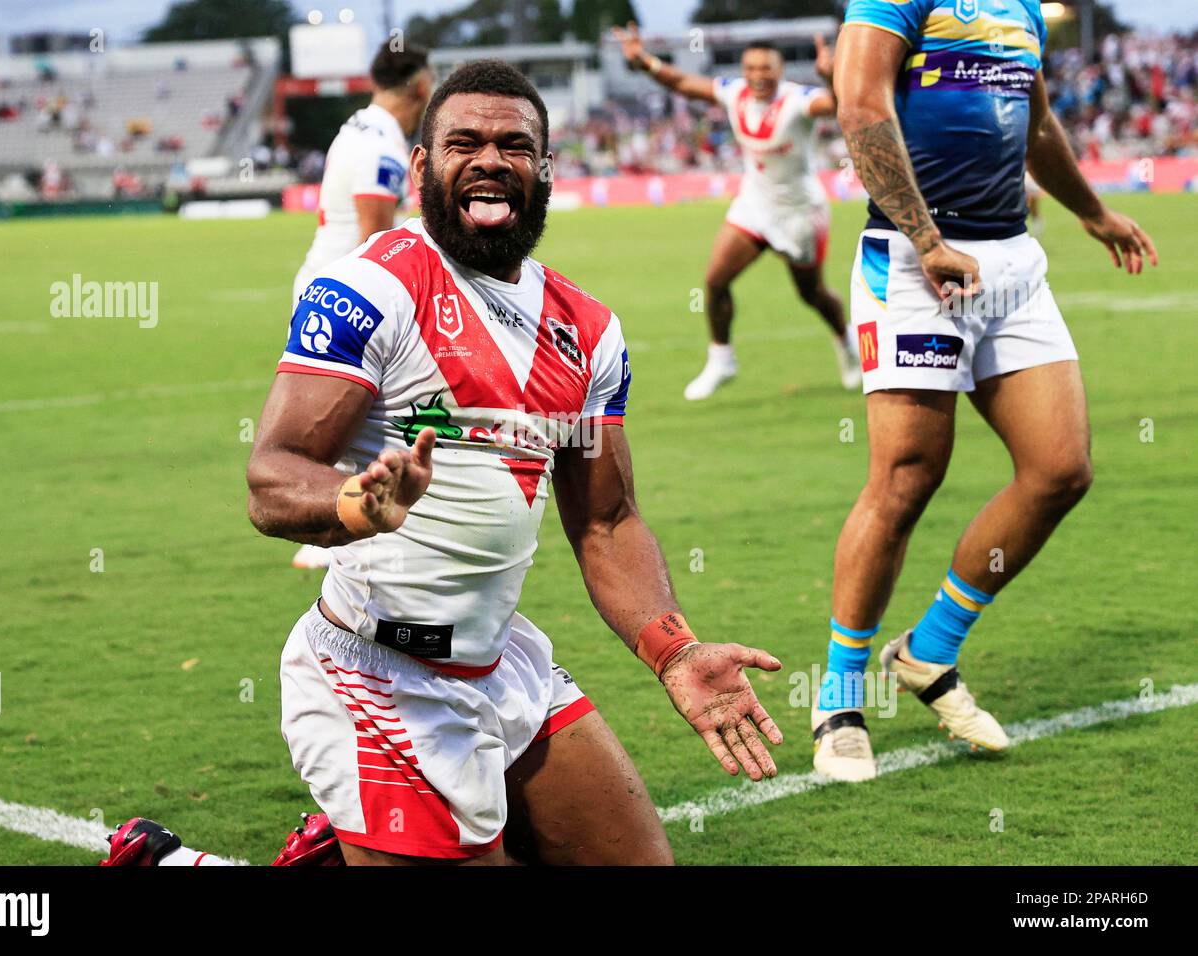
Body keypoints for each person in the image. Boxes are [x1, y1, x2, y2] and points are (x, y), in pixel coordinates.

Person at [107, 60, 784, 866]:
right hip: (377, 670)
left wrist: (673, 649)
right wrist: (359, 506)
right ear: (423, 166)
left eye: (515, 145)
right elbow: (273, 474)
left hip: (500, 662)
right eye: (463, 142)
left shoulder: (590, 329)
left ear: (545, 170)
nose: (491, 159)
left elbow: (606, 519)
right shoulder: (371, 288)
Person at [811, 0, 1157, 782]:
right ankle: (837, 699)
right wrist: (928, 240)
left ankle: (929, 651)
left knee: (1060, 469)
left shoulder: (1024, 8)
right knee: (906, 477)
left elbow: (1035, 126)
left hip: (1010, 263)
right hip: (910, 261)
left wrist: (1093, 213)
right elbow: (860, 101)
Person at [614, 23, 862, 398]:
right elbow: (683, 83)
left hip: (798, 213)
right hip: (754, 204)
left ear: (780, 71)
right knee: (715, 280)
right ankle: (722, 358)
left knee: (811, 295)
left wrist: (832, 79)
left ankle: (846, 343)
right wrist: (645, 61)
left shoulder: (797, 101)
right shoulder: (734, 94)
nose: (757, 76)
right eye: (751, 68)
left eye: (766, 68)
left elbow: (838, 106)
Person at [291, 41, 434, 570]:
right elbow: (376, 235)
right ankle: (324, 529)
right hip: (347, 300)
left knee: (346, 423)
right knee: (347, 422)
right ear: (420, 86)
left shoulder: (359, 126)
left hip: (324, 286)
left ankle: (340, 523)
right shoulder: (383, 148)